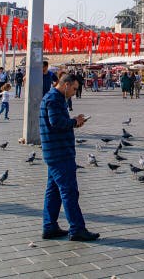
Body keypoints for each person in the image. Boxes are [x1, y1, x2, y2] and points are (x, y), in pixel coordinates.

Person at [40, 73, 99, 242]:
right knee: (69, 192)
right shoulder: (54, 99)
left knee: (54, 192)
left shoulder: (52, 97)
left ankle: (49, 226)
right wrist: (74, 122)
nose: (74, 93)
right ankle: (77, 229)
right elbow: (56, 123)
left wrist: (73, 120)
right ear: (66, 84)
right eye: (74, 89)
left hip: (54, 151)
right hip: (59, 152)